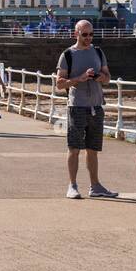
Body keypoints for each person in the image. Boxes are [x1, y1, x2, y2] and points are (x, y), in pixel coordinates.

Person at [55, 20, 118, 199]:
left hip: (96, 106)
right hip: (77, 106)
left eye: (91, 34)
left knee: (93, 149)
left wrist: (99, 77)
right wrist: (80, 78)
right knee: (74, 147)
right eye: (84, 35)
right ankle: (72, 185)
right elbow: (59, 83)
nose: (88, 38)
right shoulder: (67, 55)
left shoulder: (98, 52)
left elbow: (107, 78)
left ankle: (95, 186)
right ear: (76, 34)